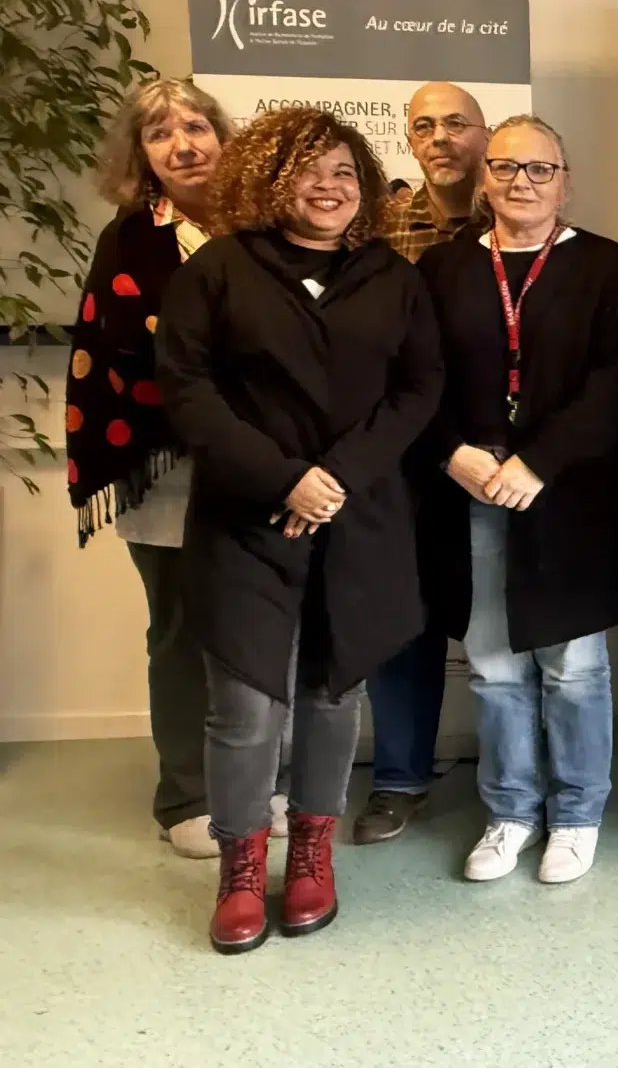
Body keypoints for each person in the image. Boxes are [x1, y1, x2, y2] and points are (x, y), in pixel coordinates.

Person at [154, 108, 443, 953]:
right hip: (247, 515)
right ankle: (243, 866)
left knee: (332, 688)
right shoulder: (219, 269)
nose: (330, 186)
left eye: (345, 171)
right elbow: (187, 390)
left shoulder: (392, 275)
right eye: (310, 170)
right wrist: (285, 478)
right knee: (245, 704)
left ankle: (313, 851)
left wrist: (335, 477)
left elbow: (419, 389)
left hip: (357, 515)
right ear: (270, 178)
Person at [413, 115, 618, 886]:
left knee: (574, 666)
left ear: (565, 181)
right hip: (473, 487)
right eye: (507, 167)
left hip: (571, 493)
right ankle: (511, 809)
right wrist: (451, 451)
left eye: (540, 169)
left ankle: (577, 813)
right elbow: (414, 375)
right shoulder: (443, 268)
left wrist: (539, 461)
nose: (522, 182)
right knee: (491, 665)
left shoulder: (607, 267)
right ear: (484, 179)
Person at [63, 79, 276, 860]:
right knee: (182, 633)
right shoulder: (129, 240)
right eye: (160, 134)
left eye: (195, 127)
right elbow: (123, 357)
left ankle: (256, 785)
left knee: (256, 628)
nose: (183, 145)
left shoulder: (265, 227)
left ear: (223, 135)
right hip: (164, 467)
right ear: (141, 155)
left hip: (261, 463)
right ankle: (187, 795)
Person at [354, 80, 493, 846]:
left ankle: (514, 779)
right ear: (408, 139)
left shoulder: (518, 215)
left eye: (457, 123)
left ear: (485, 136)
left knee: (501, 621)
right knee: (403, 619)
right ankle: (400, 776)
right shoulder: (375, 229)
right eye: (424, 125)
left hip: (496, 456)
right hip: (403, 457)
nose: (440, 137)